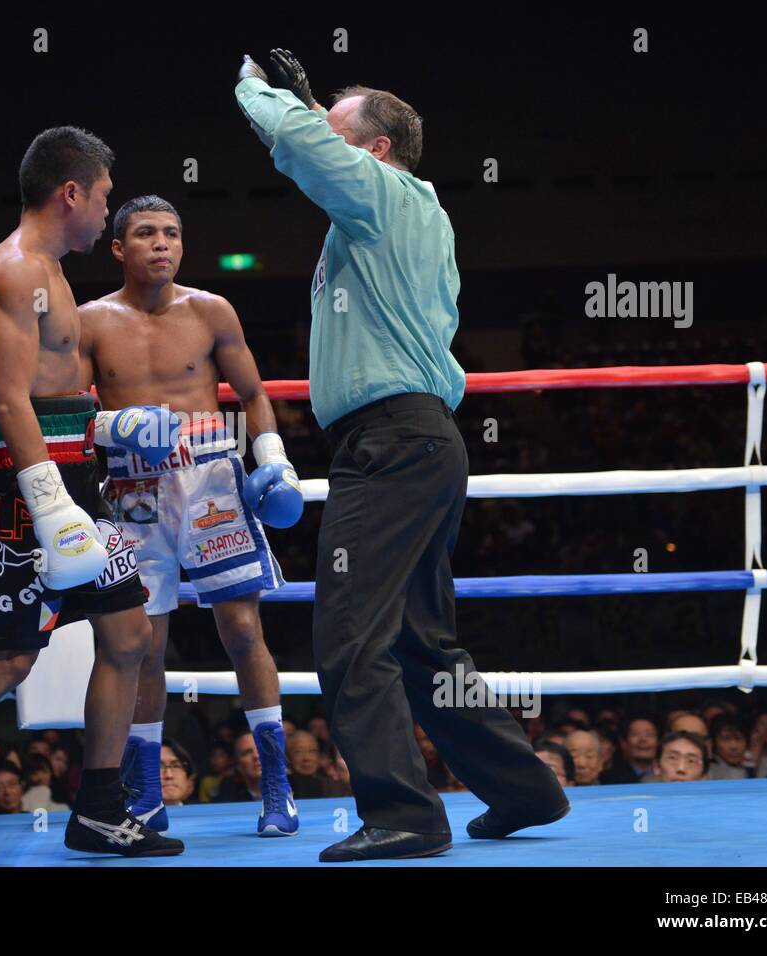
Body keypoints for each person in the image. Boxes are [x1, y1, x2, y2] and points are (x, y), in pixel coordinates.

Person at [233, 50, 567, 861]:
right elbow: (325, 151)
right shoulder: (398, 215)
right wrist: (318, 108)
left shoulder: (386, 196)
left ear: (374, 150)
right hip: (411, 443)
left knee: (350, 635)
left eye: (338, 130)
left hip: (390, 445)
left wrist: (258, 91)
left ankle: (405, 814)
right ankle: (525, 790)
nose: (322, 133)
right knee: (421, 640)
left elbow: (310, 150)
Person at [0, 127, 182, 863]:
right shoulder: (18, 271)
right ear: (71, 193)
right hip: (28, 491)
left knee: (129, 634)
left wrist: (105, 428)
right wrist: (51, 504)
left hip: (76, 477)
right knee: (6, 662)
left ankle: (97, 809)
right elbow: (14, 401)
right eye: (106, 198)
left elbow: (57, 394)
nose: (107, 213)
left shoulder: (49, 271)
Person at [80, 194, 303, 836]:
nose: (162, 244)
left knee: (240, 628)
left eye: (172, 234)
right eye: (146, 233)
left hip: (210, 479)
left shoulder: (211, 310)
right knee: (143, 643)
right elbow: (63, 411)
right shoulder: (90, 321)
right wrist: (113, 424)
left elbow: (255, 395)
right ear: (119, 247)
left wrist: (276, 461)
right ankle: (147, 796)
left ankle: (278, 790)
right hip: (131, 491)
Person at [600, 713, 660, 784]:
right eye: (635, 734)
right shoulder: (608, 779)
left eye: (649, 734)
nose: (643, 739)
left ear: (658, 742)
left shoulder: (667, 776)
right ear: (624, 743)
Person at [159, 741, 199, 807]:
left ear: (189, 782)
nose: (169, 775)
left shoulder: (203, 814)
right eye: (159, 767)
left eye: (176, 766)